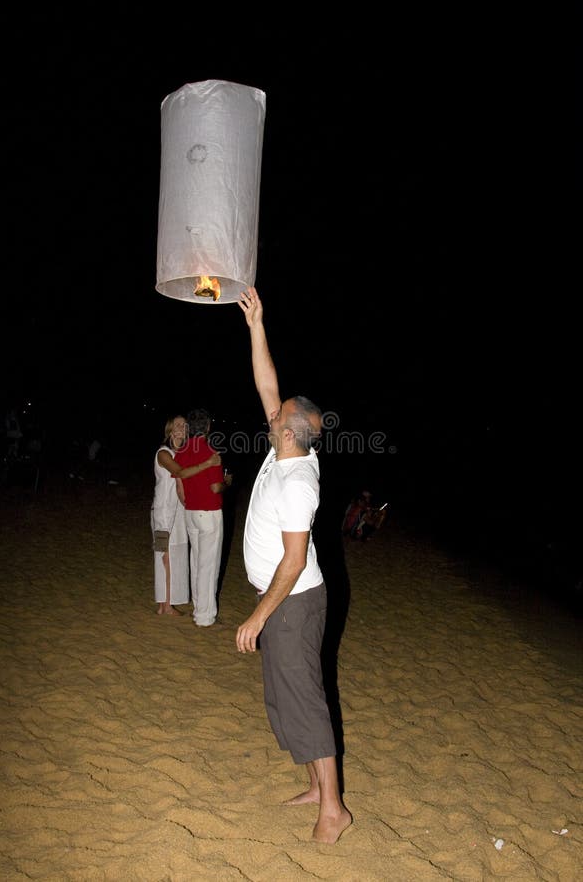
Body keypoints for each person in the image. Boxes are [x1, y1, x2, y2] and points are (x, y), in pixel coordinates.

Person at [236, 286, 352, 845]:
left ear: (288, 431)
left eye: (277, 415)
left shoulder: (298, 481)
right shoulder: (284, 450)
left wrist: (259, 616)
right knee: (286, 697)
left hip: (293, 602)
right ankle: (315, 786)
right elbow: (268, 384)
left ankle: (334, 809)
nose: (271, 410)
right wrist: (258, 324)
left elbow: (295, 559)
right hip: (285, 600)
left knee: (304, 697)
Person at [151, 415, 220, 616]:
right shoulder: (163, 454)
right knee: (163, 556)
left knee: (176, 555)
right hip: (162, 513)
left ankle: (167, 603)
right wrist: (208, 464)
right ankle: (164, 605)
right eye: (177, 425)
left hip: (179, 511)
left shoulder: (183, 453)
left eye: (184, 425)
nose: (182, 428)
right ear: (169, 429)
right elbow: (180, 473)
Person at [173, 408, 230, 627]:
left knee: (196, 561)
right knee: (209, 565)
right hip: (209, 512)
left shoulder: (182, 451)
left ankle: (199, 608)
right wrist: (227, 482)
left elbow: (179, 482)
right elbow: (216, 487)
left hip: (190, 511)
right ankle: (205, 616)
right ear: (207, 428)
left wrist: (187, 502)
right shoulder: (210, 452)